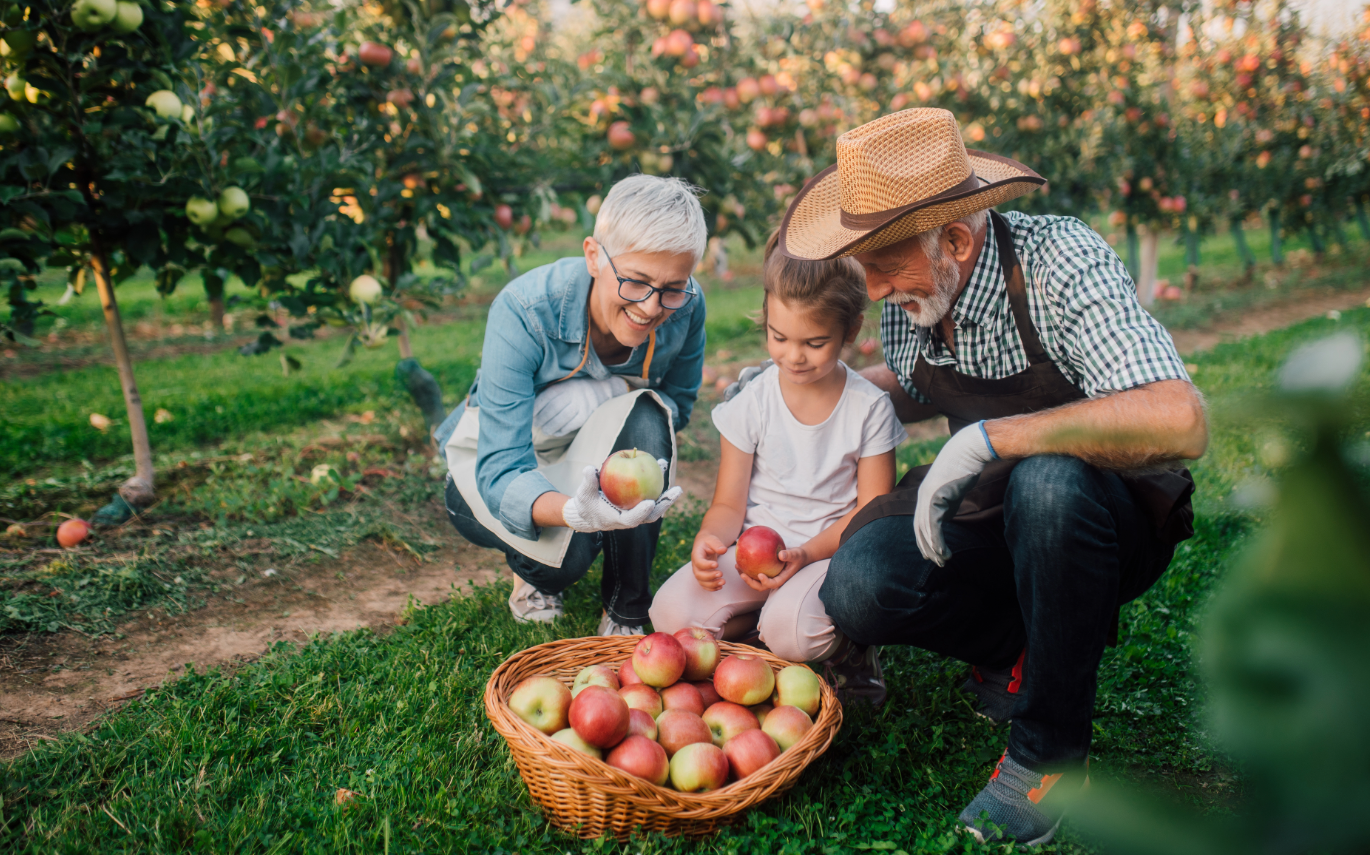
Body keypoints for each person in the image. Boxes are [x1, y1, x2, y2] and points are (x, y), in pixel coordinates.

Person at [769, 109, 1209, 844]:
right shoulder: (917, 294)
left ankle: (1048, 756)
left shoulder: (1056, 263)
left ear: (957, 239)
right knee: (860, 581)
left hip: (1102, 514)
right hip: (994, 512)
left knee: (1047, 483)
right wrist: (808, 383)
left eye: (884, 265)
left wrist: (995, 439)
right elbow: (918, 383)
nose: (873, 288)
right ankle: (1024, 641)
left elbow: (1180, 418)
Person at [436, 175, 708, 636]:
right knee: (562, 563)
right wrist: (574, 514)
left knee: (648, 409)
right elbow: (499, 468)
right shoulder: (524, 309)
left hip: (592, 451)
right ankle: (534, 575)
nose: (651, 306)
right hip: (497, 460)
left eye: (672, 287)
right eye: (637, 282)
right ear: (594, 256)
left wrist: (613, 410)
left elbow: (676, 407)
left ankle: (627, 610)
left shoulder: (687, 306)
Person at [649, 231, 907, 689]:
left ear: (850, 331)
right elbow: (730, 503)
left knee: (793, 634)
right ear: (766, 318)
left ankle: (848, 650)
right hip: (755, 555)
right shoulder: (755, 401)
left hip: (826, 556)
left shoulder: (868, 408)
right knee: (669, 614)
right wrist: (711, 538)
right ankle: (753, 634)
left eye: (814, 342)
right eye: (779, 337)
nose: (793, 356)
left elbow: (871, 515)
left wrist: (807, 553)